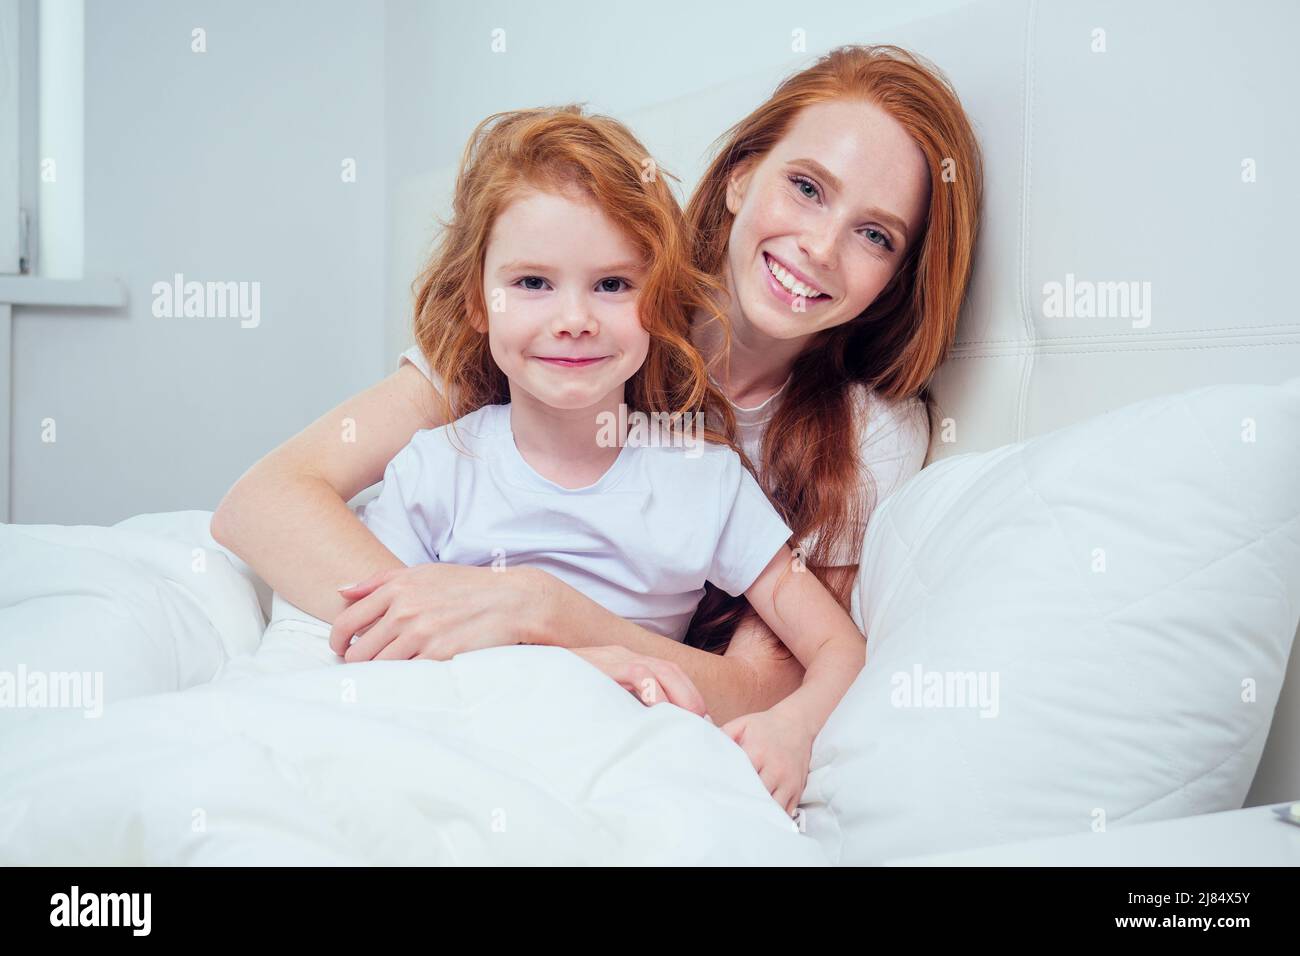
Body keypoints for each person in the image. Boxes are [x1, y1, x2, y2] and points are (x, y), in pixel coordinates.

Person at [212, 44, 982, 736]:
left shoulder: (866, 433)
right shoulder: (582, 306)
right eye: (807, 187)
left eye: (875, 234)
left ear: (899, 274)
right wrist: (460, 626)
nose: (820, 245)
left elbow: (766, 683)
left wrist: (544, 616)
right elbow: (267, 500)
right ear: (743, 175)